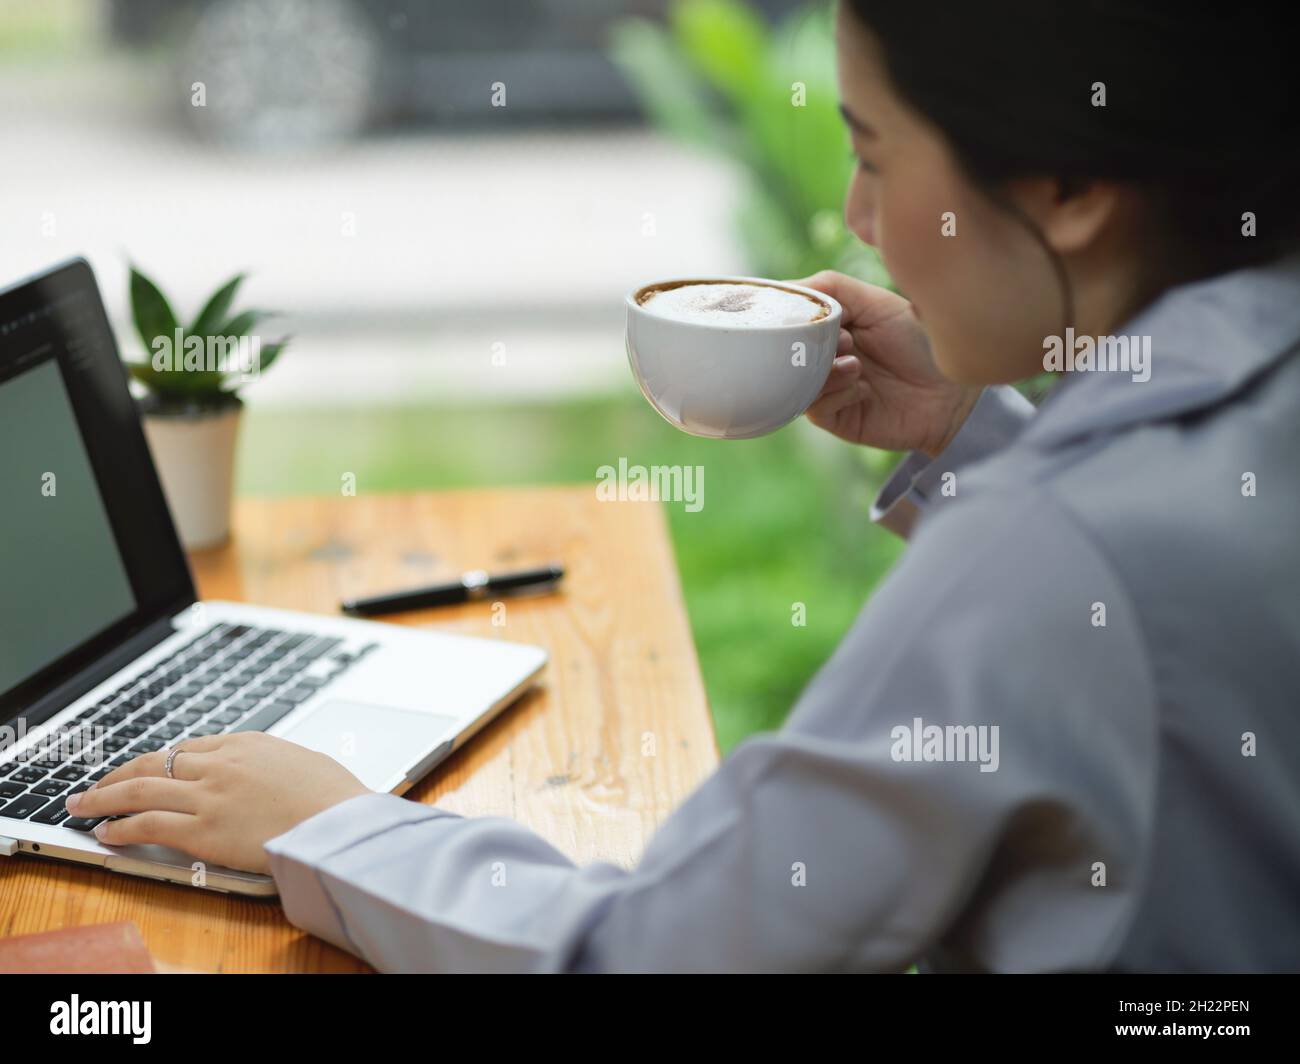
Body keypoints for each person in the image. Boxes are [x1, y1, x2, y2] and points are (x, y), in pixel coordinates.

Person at [65, 0, 1300, 972]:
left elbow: (663, 954)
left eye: (873, 153)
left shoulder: (1050, 553)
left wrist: (323, 823)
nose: (860, 217)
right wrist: (969, 438)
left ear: (1069, 192)